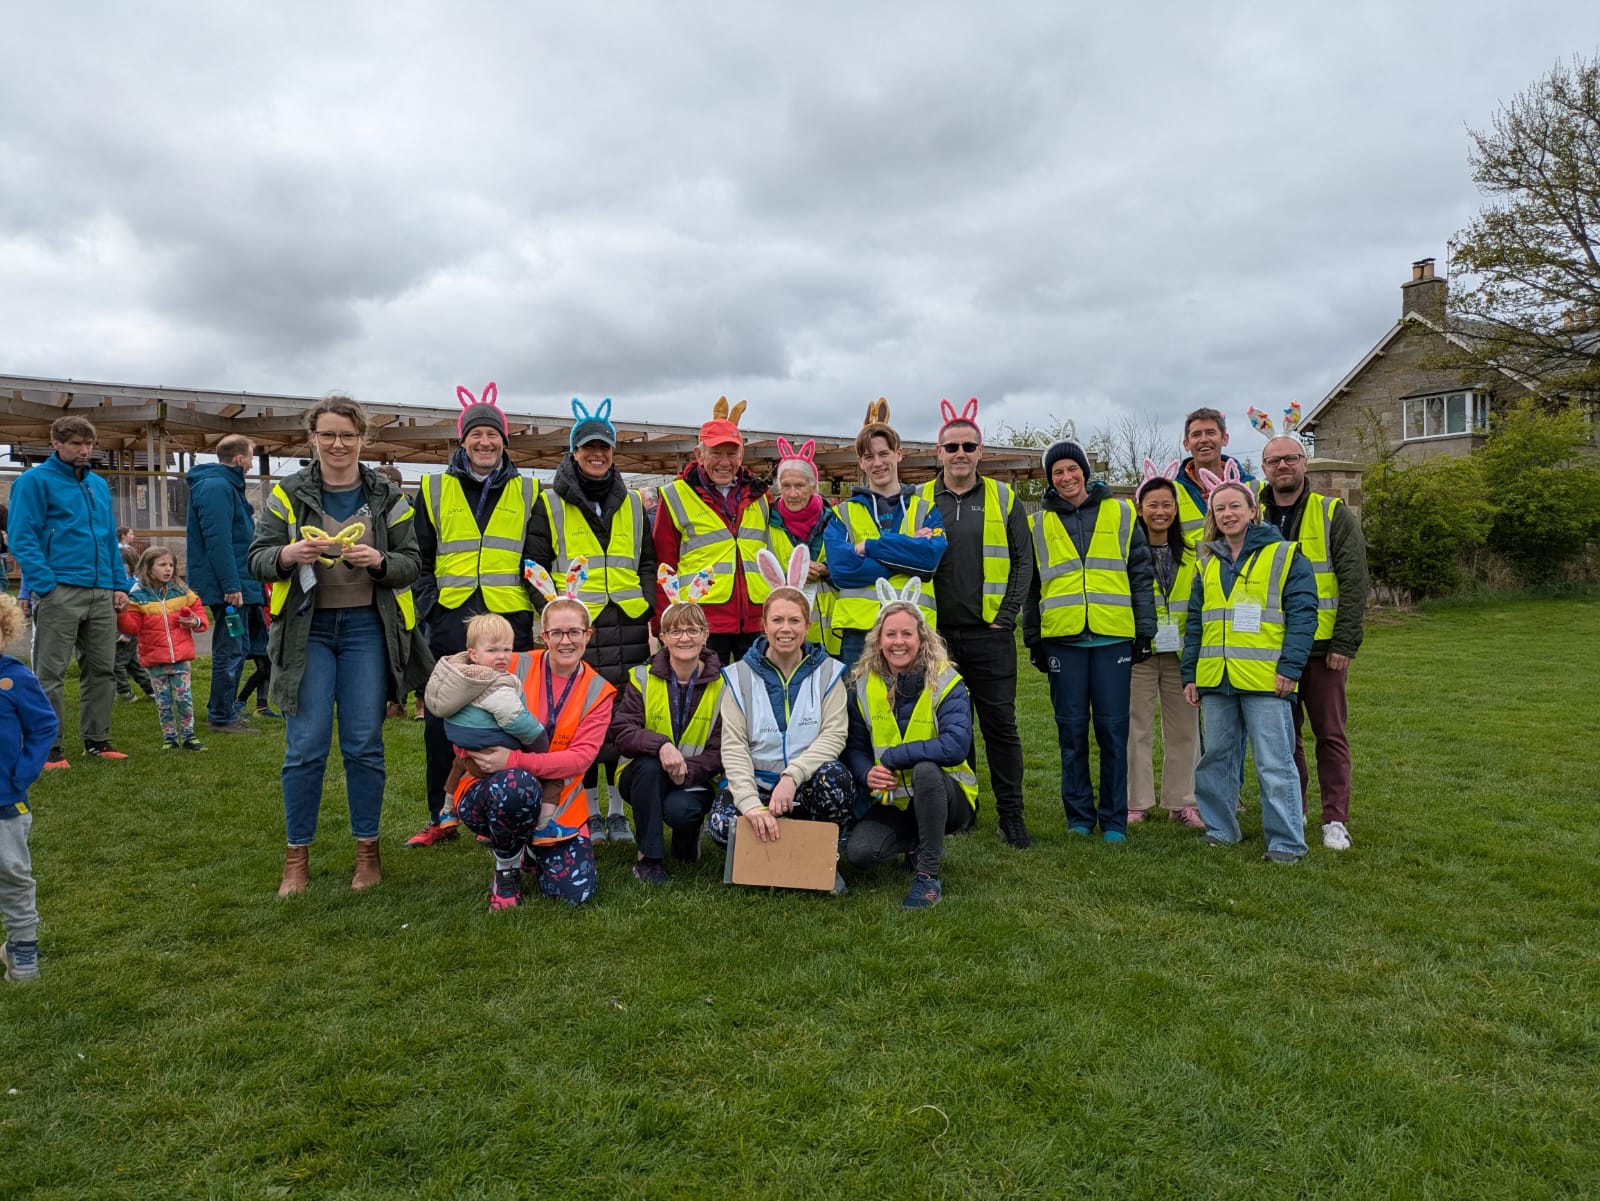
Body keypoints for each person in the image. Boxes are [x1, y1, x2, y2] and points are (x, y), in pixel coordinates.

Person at [248, 394, 427, 896]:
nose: (338, 444)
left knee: (364, 746)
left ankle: (367, 853)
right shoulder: (287, 493)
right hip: (308, 634)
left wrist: (380, 561)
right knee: (304, 748)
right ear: (313, 438)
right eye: (327, 434)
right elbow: (257, 557)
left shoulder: (387, 496)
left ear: (362, 439)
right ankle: (295, 858)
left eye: (347, 435)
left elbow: (412, 562)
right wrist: (286, 553)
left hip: (367, 631)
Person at [407, 382, 542, 849]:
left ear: (505, 441)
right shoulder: (432, 487)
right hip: (451, 620)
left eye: (493, 435)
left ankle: (502, 809)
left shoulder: (528, 490)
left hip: (510, 621)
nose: (485, 442)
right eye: (476, 434)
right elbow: (418, 554)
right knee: (442, 718)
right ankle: (439, 814)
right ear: (462, 440)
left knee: (510, 715)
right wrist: (430, 601)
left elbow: (536, 556)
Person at [526, 398, 656, 844]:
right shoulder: (551, 503)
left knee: (622, 719)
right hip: (577, 630)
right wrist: (555, 612)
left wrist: (648, 599)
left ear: (613, 452)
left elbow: (647, 560)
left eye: (603, 447)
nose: (596, 455)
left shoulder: (635, 503)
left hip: (629, 623)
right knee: (577, 720)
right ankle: (588, 809)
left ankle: (617, 810)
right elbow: (535, 563)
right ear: (573, 452)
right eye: (587, 448)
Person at [1023, 440, 1155, 841]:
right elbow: (1030, 588)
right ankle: (1079, 816)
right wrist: (1034, 639)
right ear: (1050, 479)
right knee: (1071, 732)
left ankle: (1114, 818)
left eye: (1071, 469)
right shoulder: (1037, 524)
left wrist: (1144, 631)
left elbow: (1140, 573)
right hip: (1062, 639)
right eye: (1057, 473)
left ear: (1085, 471)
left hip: (1113, 635)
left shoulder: (1121, 512)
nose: (1065, 478)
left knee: (1114, 732)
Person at [450, 594, 616, 911]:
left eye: (574, 632)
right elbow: (458, 688)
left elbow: (581, 759)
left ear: (588, 635)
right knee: (516, 785)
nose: (565, 641)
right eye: (556, 633)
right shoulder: (513, 663)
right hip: (493, 787)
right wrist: (468, 742)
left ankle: (531, 848)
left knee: (575, 894)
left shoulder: (599, 691)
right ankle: (506, 867)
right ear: (544, 635)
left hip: (560, 805)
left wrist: (513, 759)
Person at [1181, 481, 1317, 862]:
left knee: (1274, 761)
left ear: (1252, 511)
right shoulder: (1206, 561)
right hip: (1216, 677)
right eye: (1219, 509)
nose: (1227, 514)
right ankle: (1222, 828)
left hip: (1266, 678)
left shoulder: (1285, 556)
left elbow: (1304, 616)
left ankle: (1287, 842)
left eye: (1234, 506)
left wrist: (1290, 668)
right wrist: (1190, 674)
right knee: (1216, 760)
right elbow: (1196, 622)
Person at [917, 397, 1033, 847]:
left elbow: (1024, 561)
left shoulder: (1004, 498)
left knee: (1000, 726)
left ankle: (1012, 815)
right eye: (952, 447)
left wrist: (1006, 618)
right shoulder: (921, 499)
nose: (960, 454)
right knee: (950, 729)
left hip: (990, 635)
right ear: (938, 453)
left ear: (981, 451)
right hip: (936, 638)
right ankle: (962, 807)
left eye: (969, 446)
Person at [1258, 434, 1369, 851]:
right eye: (1273, 461)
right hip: (1273, 645)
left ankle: (1335, 819)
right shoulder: (1253, 509)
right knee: (1286, 738)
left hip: (1324, 648)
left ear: (1304, 463)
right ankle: (1295, 809)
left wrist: (1345, 641)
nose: (1282, 466)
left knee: (1330, 734)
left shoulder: (1331, 513)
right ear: (1264, 468)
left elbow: (1354, 579)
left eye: (1290, 458)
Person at [5, 415, 131, 767]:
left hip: (101, 590)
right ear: (56, 444)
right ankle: (48, 747)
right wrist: (45, 584)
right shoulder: (33, 482)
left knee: (102, 669)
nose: (84, 450)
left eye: (88, 444)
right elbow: (22, 536)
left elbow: (108, 538)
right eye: (75, 443)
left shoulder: (98, 485)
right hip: (60, 589)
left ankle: (98, 740)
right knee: (50, 673)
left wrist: (118, 584)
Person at [710, 568, 853, 873]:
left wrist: (792, 777)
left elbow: (834, 736)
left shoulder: (829, 673)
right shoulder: (738, 676)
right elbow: (734, 748)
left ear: (808, 625)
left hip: (806, 782)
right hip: (759, 782)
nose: (785, 629)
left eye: (794, 620)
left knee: (836, 780)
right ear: (763, 625)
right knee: (722, 827)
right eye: (777, 620)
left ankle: (817, 856)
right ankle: (790, 838)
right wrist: (750, 803)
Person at [843, 586, 977, 909]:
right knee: (860, 853)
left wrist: (891, 758)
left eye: (907, 633)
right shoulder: (863, 682)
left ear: (922, 638)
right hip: (895, 800)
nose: (898, 642)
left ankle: (927, 877)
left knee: (926, 770)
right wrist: (866, 773)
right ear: (878, 640)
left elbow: (957, 745)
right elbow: (855, 747)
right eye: (890, 634)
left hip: (950, 798)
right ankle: (915, 844)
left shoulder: (946, 680)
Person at [611, 588, 724, 885]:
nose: (684, 638)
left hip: (696, 777)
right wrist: (661, 746)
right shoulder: (642, 677)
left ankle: (686, 839)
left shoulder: (725, 685)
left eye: (692, 630)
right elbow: (622, 731)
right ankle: (650, 859)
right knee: (649, 768)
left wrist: (687, 772)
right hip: (642, 775)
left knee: (681, 811)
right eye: (675, 631)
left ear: (706, 635)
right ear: (662, 637)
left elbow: (722, 748)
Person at [823, 399, 946, 670]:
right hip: (860, 631)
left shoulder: (926, 508)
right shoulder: (841, 513)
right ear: (861, 462)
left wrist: (870, 546)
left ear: (899, 454)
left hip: (914, 629)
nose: (877, 463)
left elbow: (929, 561)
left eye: (884, 454)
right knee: (860, 710)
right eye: (869, 457)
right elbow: (843, 571)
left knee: (915, 710)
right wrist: (908, 549)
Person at [653, 397, 772, 666]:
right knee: (707, 698)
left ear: (742, 455)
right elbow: (663, 566)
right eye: (716, 452)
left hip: (755, 621)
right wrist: (663, 622)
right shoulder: (675, 496)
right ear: (699, 454)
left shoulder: (761, 496)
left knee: (752, 698)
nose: (724, 462)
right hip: (700, 621)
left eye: (732, 453)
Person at [1126, 469, 1203, 828]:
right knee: (1134, 726)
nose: (1161, 511)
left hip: (1181, 653)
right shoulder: (1127, 550)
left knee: (1185, 728)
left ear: (1176, 509)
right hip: (1140, 650)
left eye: (1167, 504)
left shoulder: (1192, 552)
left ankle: (1183, 801)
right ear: (1140, 509)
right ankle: (1136, 802)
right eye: (1153, 504)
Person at [186, 433, 266, 736]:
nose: (251, 464)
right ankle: (221, 715)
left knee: (240, 646)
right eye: (252, 456)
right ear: (240, 459)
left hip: (240, 581)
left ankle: (227, 709)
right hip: (231, 585)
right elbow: (218, 540)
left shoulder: (223, 485)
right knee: (230, 649)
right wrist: (232, 586)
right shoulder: (217, 487)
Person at [0, 592, 56, 983]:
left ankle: (22, 951)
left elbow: (43, 726)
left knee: (14, 875)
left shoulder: (16, 678)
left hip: (5, 801)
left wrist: (22, 773)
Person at [117, 546, 209, 751]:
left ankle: (188, 735)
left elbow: (201, 615)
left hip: (181, 657)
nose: (168, 569)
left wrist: (194, 621)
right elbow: (132, 627)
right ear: (148, 569)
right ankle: (169, 737)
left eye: (171, 565)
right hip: (155, 659)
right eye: (162, 565)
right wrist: (122, 614)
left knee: (183, 698)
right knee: (164, 701)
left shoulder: (183, 591)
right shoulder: (137, 595)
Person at [1173, 408, 1255, 539]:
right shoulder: (1172, 492)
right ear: (1186, 444)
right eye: (1196, 434)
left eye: (1210, 433)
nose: (1204, 439)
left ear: (1224, 438)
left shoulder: (1254, 488)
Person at [113, 545, 156, 705]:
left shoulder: (131, 586)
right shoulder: (128, 582)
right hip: (122, 630)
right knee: (134, 664)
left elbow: (136, 612)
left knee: (115, 663)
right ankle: (151, 690)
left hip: (125, 632)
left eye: (120, 563)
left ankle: (125, 692)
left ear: (131, 565)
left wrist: (128, 634)